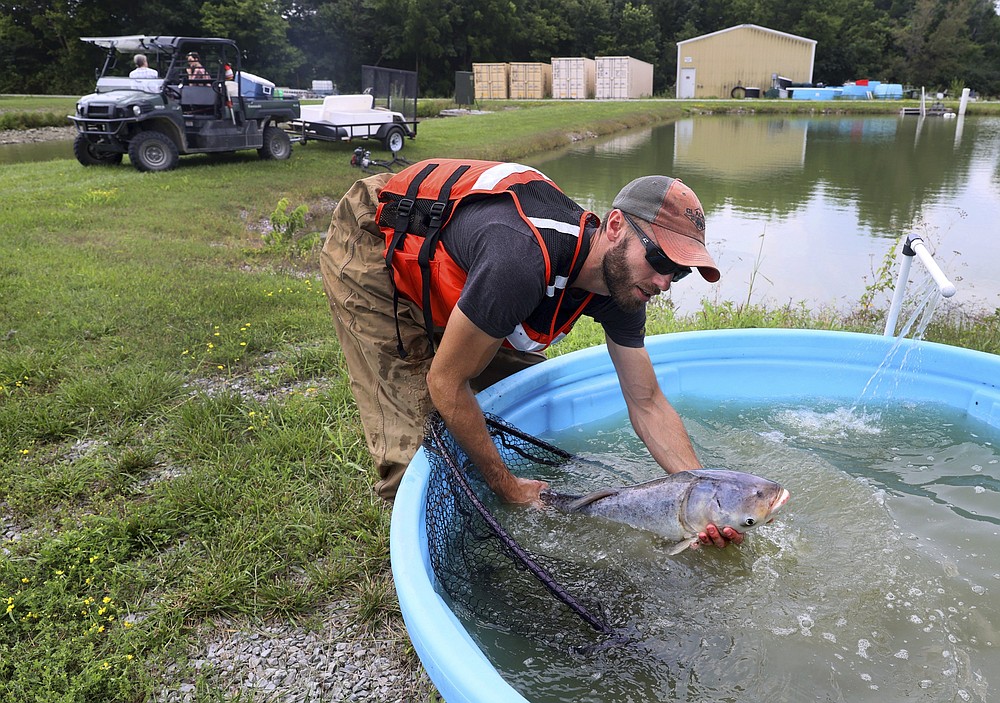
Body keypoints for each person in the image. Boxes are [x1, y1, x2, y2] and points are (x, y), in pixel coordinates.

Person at [320, 159, 741, 549]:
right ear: (615, 226)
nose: (664, 282)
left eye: (678, 271)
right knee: (419, 447)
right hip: (376, 237)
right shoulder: (520, 260)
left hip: (462, 261)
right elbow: (445, 383)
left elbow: (647, 402)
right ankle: (416, 570)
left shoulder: (626, 285)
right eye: (657, 258)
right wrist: (509, 488)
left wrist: (704, 497)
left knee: (504, 403)